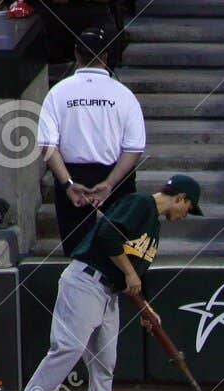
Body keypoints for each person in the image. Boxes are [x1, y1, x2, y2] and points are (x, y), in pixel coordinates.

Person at [0, 175, 201, 391]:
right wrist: (129, 273)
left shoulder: (153, 224)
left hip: (108, 293)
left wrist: (146, 308)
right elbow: (107, 234)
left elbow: (136, 272)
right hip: (86, 281)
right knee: (68, 348)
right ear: (180, 198)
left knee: (105, 363)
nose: (187, 214)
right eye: (189, 207)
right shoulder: (141, 203)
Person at [37, 25, 144, 255]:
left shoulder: (57, 93)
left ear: (76, 54)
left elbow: (47, 145)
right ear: (105, 57)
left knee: (78, 255)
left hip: (73, 174)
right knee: (124, 252)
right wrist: (110, 184)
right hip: (116, 176)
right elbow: (134, 149)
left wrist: (67, 184)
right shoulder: (124, 95)